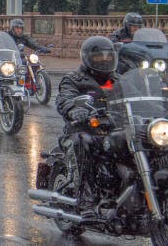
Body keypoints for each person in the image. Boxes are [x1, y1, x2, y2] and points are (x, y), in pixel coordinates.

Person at [55, 35, 118, 220]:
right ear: (88, 58)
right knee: (85, 142)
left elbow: (137, 95)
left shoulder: (119, 79)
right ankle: (85, 200)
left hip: (114, 131)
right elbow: (64, 98)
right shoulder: (74, 79)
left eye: (108, 56)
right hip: (82, 130)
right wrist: (74, 110)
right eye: (99, 57)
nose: (104, 60)